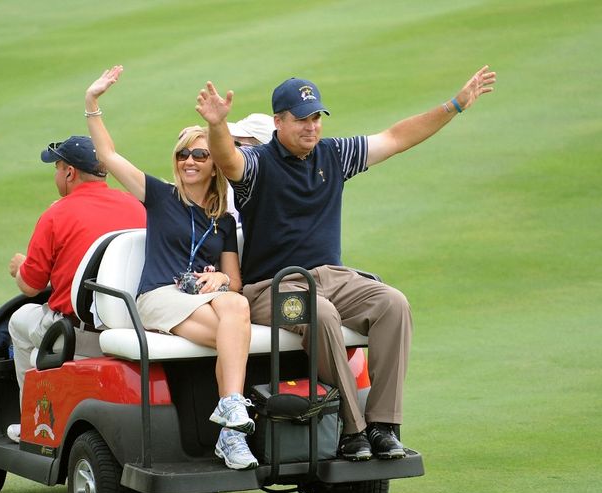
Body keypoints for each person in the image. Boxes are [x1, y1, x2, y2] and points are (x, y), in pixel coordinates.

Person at [196, 66, 496, 461]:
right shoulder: (258, 165)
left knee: (393, 304)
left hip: (333, 277)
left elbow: (395, 137)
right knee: (319, 314)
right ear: (278, 122)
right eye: (301, 119)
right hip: (273, 287)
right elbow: (227, 158)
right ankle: (351, 431)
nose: (311, 127)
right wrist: (217, 125)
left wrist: (454, 105)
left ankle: (384, 426)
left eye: (316, 117)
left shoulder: (333, 155)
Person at [85, 65, 258, 470]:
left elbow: (234, 280)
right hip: (160, 296)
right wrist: (92, 103)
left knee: (235, 308)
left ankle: (230, 429)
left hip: (202, 298)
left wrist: (220, 277)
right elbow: (108, 156)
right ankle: (232, 420)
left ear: (215, 164)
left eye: (200, 154)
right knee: (237, 323)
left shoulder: (224, 219)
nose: (190, 161)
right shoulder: (161, 197)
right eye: (183, 154)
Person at [6, 135, 146, 443]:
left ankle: (30, 421)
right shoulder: (137, 205)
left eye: (57, 168)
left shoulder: (56, 213)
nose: (56, 175)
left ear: (70, 172)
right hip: (133, 329)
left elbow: (31, 286)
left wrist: (20, 266)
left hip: (77, 336)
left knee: (19, 321)